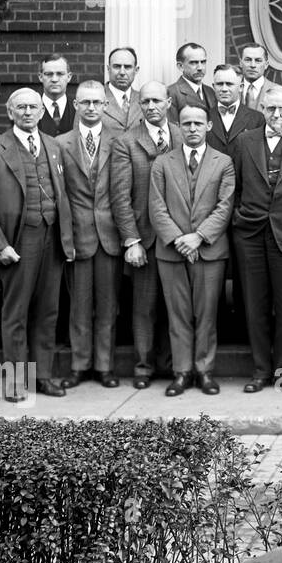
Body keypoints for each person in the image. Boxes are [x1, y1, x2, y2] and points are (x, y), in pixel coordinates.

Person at [0, 88, 75, 400]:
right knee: (16, 312)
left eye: (34, 107)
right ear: (11, 111)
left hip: (52, 236)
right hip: (18, 240)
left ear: (42, 111)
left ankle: (43, 375)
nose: (28, 112)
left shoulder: (54, 146)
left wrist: (67, 239)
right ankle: (16, 381)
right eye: (22, 107)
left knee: (48, 311)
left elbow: (63, 195)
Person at [149, 104, 235, 396]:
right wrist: (178, 240)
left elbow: (225, 206)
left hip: (209, 250)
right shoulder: (163, 162)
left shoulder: (223, 162)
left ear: (209, 126)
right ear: (179, 126)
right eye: (187, 124)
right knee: (178, 314)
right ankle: (182, 372)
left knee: (207, 314)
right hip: (172, 251)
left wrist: (198, 237)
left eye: (199, 123)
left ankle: (204, 371)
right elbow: (157, 206)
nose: (193, 128)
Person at [231, 86, 282, 393]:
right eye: (270, 109)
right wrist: (241, 217)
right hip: (250, 233)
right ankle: (260, 370)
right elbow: (234, 186)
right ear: (261, 109)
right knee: (255, 305)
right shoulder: (244, 141)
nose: (276, 115)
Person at [110, 81, 178, 387]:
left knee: (176, 305)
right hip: (146, 238)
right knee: (145, 307)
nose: (151, 106)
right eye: (145, 101)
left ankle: (172, 364)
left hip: (178, 238)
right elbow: (120, 196)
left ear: (168, 103)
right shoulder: (126, 142)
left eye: (157, 101)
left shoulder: (182, 134)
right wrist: (131, 240)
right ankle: (143, 367)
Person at [56, 80, 121, 388]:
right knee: (79, 306)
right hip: (78, 235)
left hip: (110, 235)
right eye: (85, 102)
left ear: (105, 106)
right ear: (75, 105)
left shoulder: (118, 141)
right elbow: (61, 196)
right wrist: (66, 237)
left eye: (97, 102)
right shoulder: (61, 143)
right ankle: (80, 365)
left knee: (108, 306)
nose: (92, 108)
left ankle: (105, 366)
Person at [207, 63, 265, 153]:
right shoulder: (204, 117)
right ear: (213, 87)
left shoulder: (257, 119)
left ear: (241, 87)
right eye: (219, 84)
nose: (224, 89)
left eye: (229, 84)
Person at [166, 42, 217, 120]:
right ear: (180, 66)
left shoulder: (210, 91)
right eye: (193, 63)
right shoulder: (171, 93)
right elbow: (173, 127)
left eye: (203, 62)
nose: (200, 67)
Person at [102, 46, 142, 134]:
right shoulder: (94, 97)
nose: (122, 72)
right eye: (117, 67)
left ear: (136, 70)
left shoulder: (144, 99)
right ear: (108, 69)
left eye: (127, 67)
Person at [36, 54, 75, 136]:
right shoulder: (31, 108)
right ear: (40, 77)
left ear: (69, 77)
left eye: (60, 74)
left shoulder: (78, 108)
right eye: (49, 74)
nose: (54, 79)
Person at [237, 43, 276, 112]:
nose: (252, 65)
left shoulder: (277, 91)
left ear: (266, 65)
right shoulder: (232, 89)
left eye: (258, 61)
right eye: (248, 60)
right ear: (240, 63)